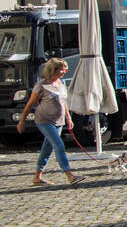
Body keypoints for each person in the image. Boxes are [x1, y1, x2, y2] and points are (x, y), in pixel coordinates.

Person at [16, 58, 87, 186]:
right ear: (53, 70)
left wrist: (68, 117)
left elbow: (63, 102)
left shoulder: (60, 83)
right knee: (59, 145)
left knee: (47, 149)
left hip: (58, 121)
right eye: (62, 69)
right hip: (44, 120)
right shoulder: (41, 85)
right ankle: (70, 176)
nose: (64, 71)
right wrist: (22, 120)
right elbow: (30, 103)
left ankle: (37, 176)